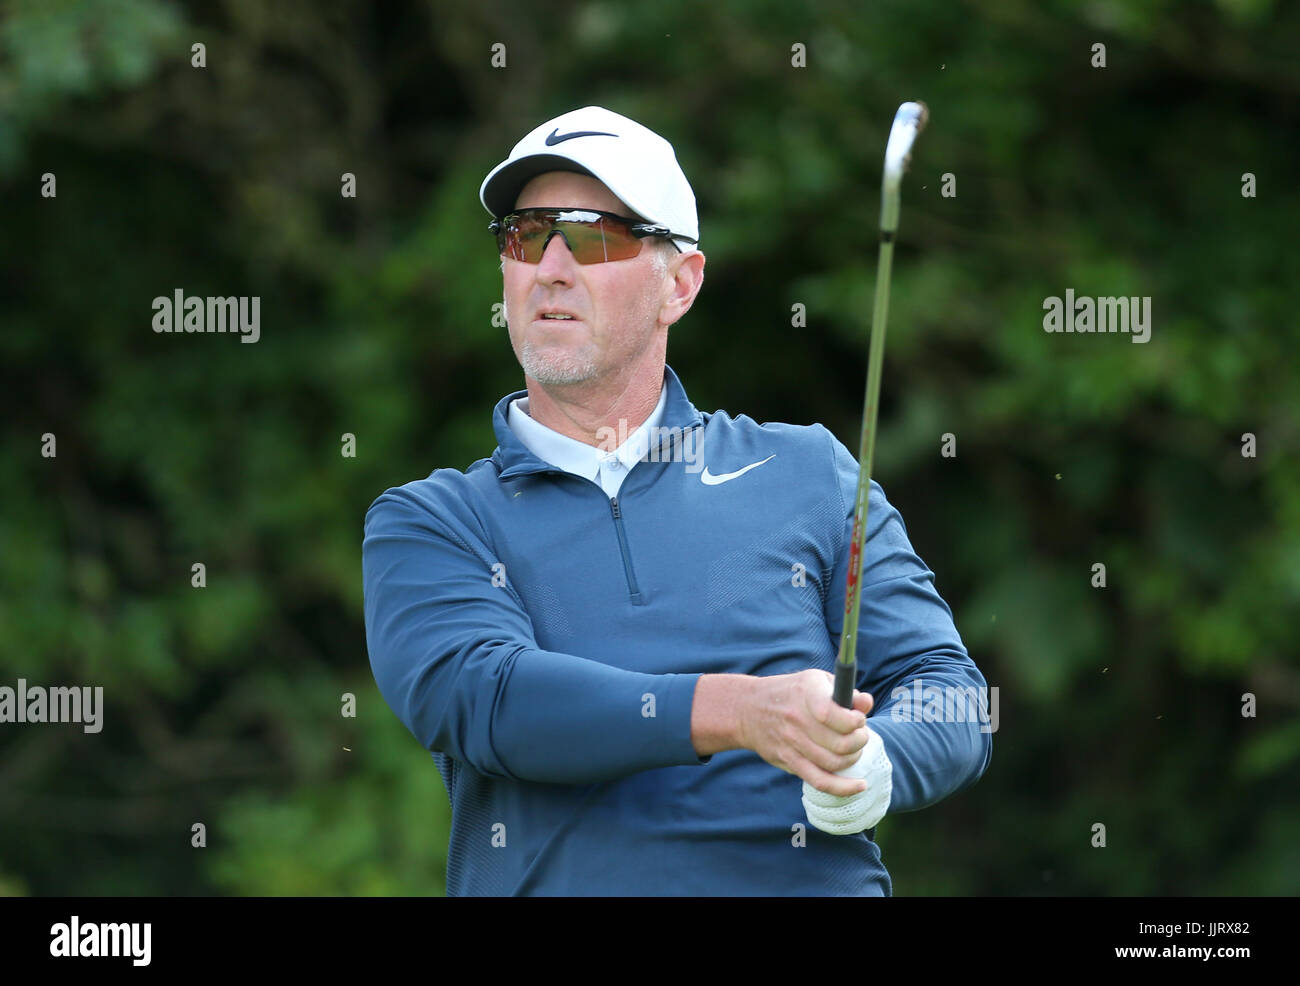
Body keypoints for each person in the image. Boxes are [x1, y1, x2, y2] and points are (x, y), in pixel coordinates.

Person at [362, 105, 991, 896]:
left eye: (591, 234)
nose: (551, 267)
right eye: (526, 236)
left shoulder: (807, 471)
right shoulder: (432, 522)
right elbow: (496, 702)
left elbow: (948, 690)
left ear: (680, 285)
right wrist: (739, 712)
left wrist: (879, 761)